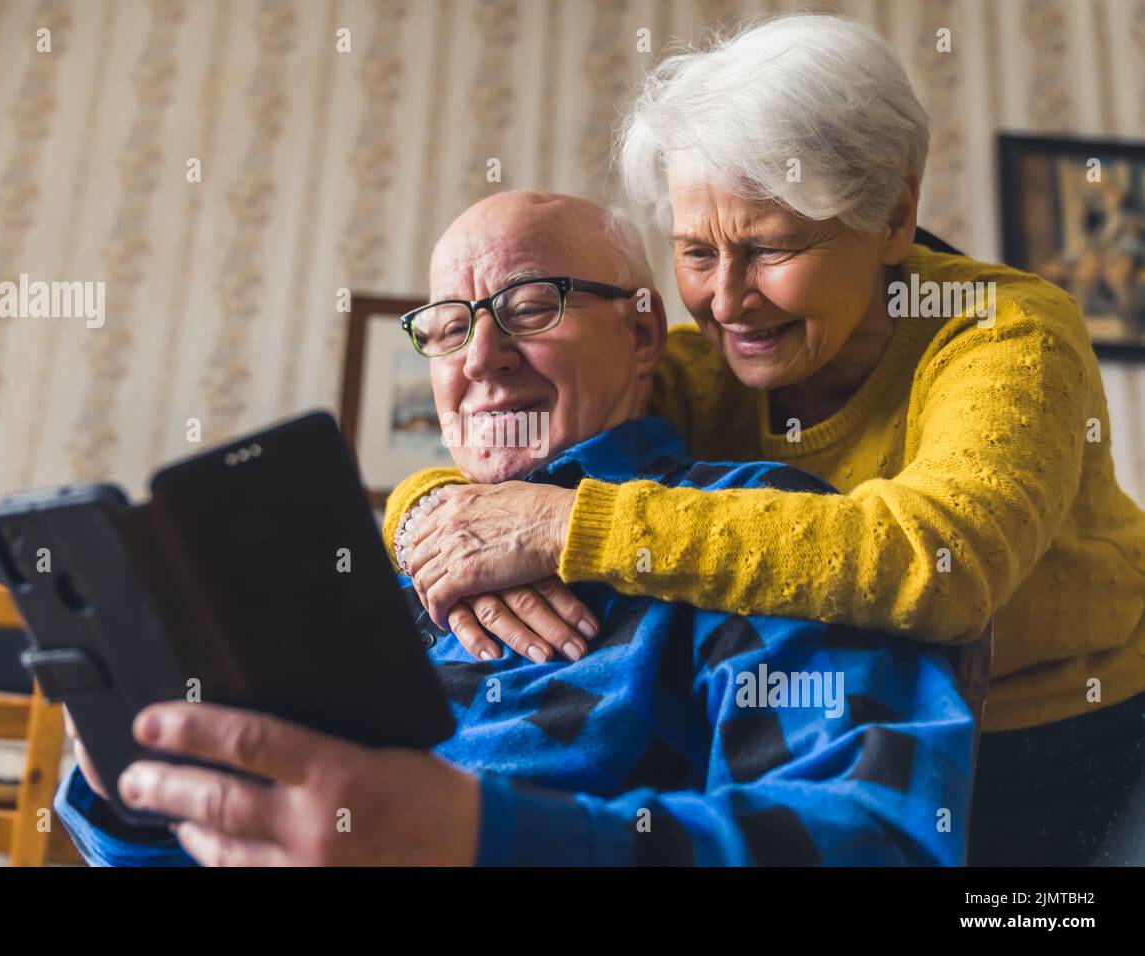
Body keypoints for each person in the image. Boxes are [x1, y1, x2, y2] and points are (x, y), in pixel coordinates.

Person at [385, 14, 1145, 866]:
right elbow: (512, 455)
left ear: (894, 214)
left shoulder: (1001, 332)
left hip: (1079, 726)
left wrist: (565, 526)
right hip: (870, 733)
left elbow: (939, 564)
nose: (726, 300)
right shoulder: (693, 363)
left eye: (769, 248)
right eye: (696, 252)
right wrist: (427, 522)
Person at [55, 191, 974, 866]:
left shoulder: (764, 533)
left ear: (645, 335)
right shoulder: (387, 568)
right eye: (449, 328)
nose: (482, 359)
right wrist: (131, 792)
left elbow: (878, 839)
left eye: (531, 308)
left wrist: (484, 839)